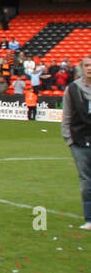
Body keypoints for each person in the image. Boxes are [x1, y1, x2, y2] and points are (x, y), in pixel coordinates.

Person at [62, 57, 91, 230]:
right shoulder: (73, 89)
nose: (90, 68)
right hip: (79, 141)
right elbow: (66, 116)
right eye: (87, 65)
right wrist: (69, 139)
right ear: (81, 68)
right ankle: (89, 218)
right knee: (87, 180)